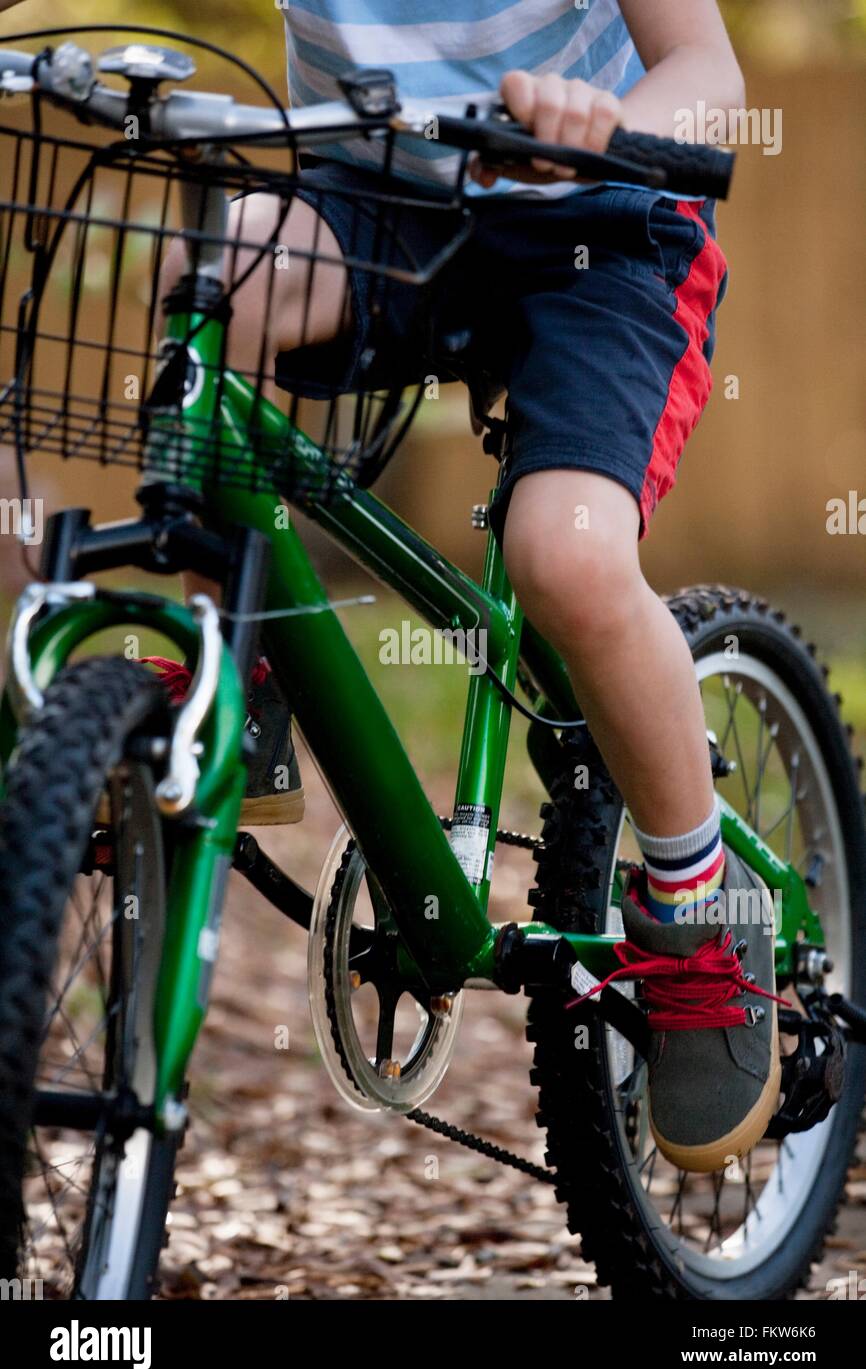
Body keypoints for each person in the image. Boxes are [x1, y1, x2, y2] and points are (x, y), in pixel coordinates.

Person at [0, 0, 781, 1172]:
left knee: (563, 555)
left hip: (606, 218)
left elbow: (704, 66)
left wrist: (606, 120)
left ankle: (699, 914)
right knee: (217, 273)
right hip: (386, 209)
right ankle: (231, 677)